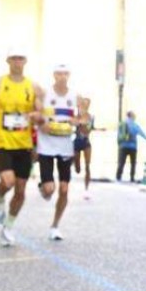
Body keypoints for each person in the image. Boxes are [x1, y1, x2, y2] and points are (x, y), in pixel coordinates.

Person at [0, 47, 46, 246]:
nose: (17, 62)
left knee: (21, 191)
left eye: (21, 58)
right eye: (14, 58)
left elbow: (42, 117)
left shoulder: (34, 87)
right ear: (8, 61)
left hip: (24, 144)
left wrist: (36, 116)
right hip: (3, 142)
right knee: (7, 182)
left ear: (25, 61)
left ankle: (8, 226)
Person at [36, 64, 84, 241]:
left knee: (64, 189)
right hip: (46, 146)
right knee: (50, 190)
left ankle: (55, 226)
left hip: (65, 146)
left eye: (65, 73)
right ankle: (44, 188)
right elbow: (36, 114)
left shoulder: (75, 96)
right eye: (59, 73)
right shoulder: (44, 93)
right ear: (54, 75)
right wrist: (42, 124)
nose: (62, 76)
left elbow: (84, 119)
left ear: (69, 75)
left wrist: (77, 120)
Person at [115, 111, 146, 183]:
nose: (135, 117)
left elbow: (118, 134)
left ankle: (118, 177)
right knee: (133, 163)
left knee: (121, 162)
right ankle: (132, 177)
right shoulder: (135, 125)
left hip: (123, 146)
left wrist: (119, 143)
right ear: (131, 116)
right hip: (133, 147)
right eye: (134, 115)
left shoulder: (122, 124)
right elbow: (141, 133)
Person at [71, 97, 94, 199]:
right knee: (77, 169)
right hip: (77, 142)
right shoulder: (76, 116)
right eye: (82, 105)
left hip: (86, 142)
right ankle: (75, 164)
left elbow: (89, 129)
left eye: (86, 105)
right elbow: (72, 124)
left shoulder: (91, 117)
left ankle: (86, 189)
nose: (84, 107)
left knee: (87, 166)